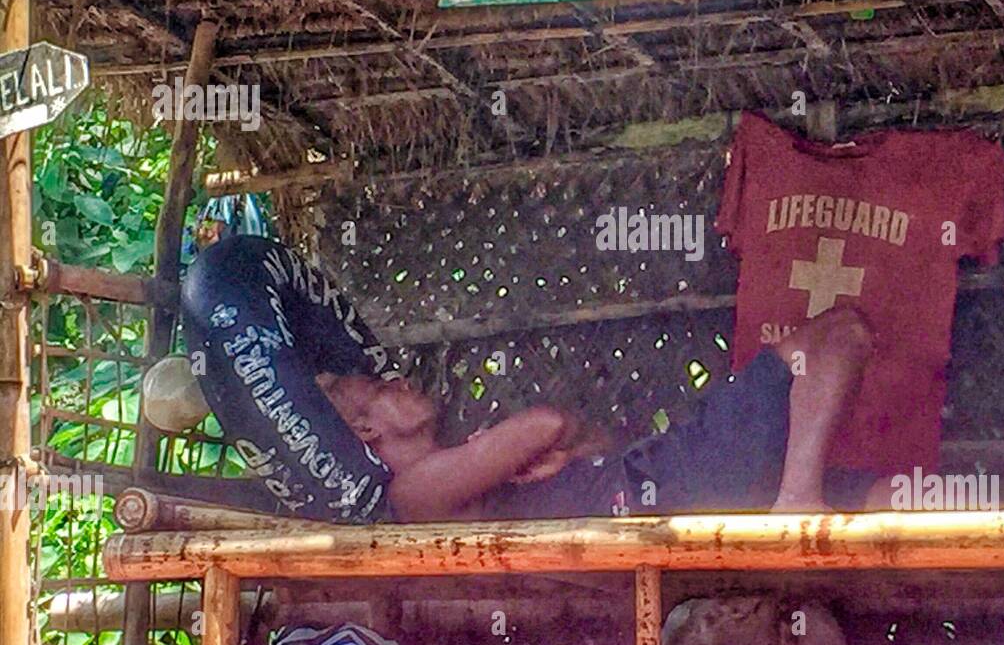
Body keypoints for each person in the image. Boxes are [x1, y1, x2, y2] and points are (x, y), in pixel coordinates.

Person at [182, 234, 876, 524]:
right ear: (365, 429)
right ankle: (798, 503)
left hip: (660, 476)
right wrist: (545, 443)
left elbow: (579, 431)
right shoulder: (411, 493)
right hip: (677, 487)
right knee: (838, 333)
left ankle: (805, 501)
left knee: (883, 498)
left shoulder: (469, 465)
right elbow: (546, 422)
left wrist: (564, 448)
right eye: (366, 385)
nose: (388, 376)